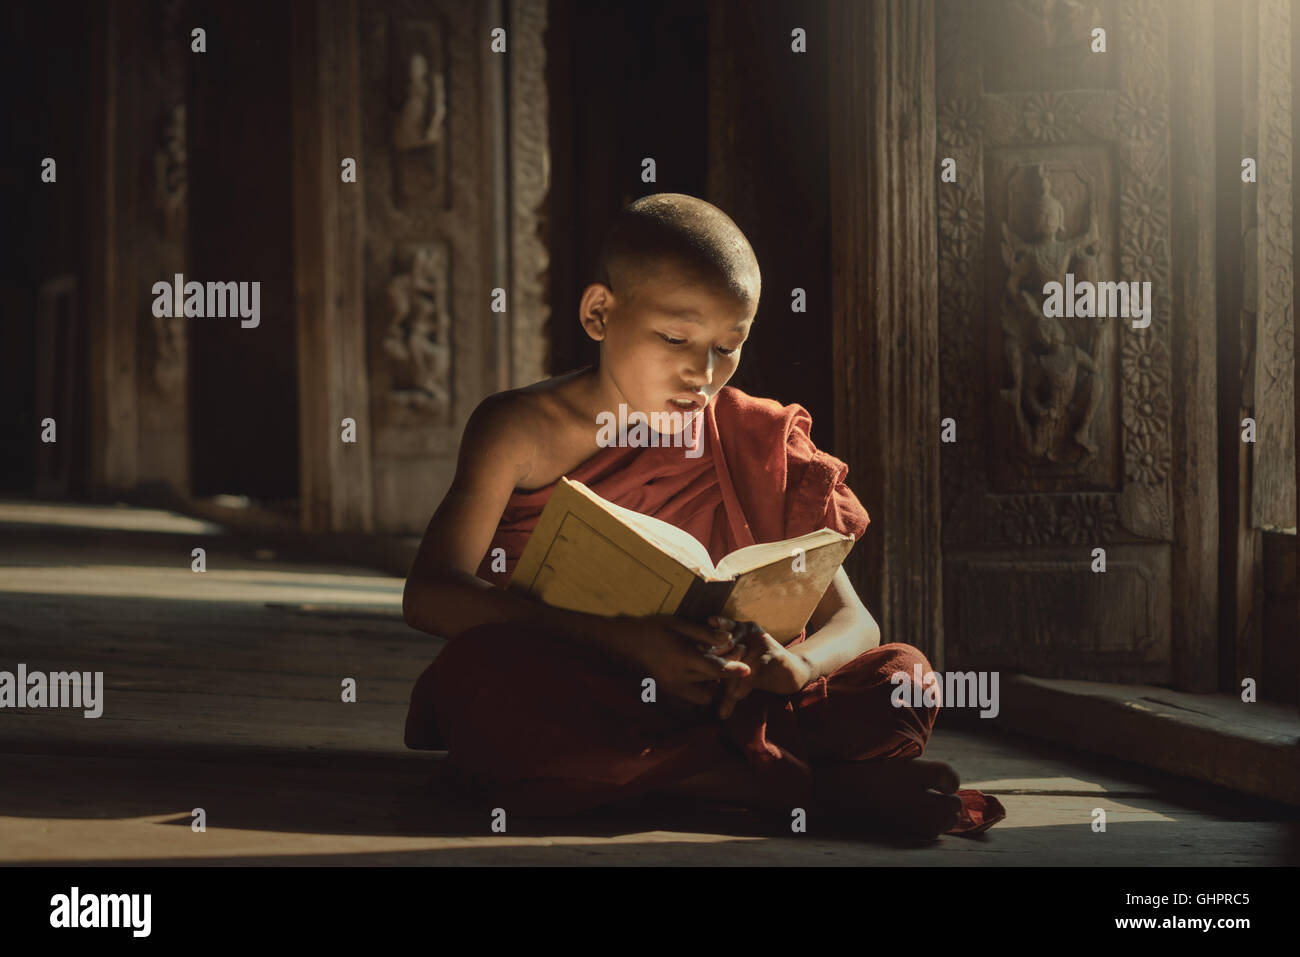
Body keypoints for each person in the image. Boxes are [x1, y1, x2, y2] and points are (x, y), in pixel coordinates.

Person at [401, 192, 1004, 838]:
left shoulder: (755, 437)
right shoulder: (518, 429)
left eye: (729, 345)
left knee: (904, 678)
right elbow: (431, 593)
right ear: (600, 312)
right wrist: (623, 639)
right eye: (676, 338)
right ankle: (799, 790)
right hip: (589, 690)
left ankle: (697, 778)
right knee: (478, 682)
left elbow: (855, 622)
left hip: (737, 701)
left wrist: (792, 666)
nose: (703, 373)